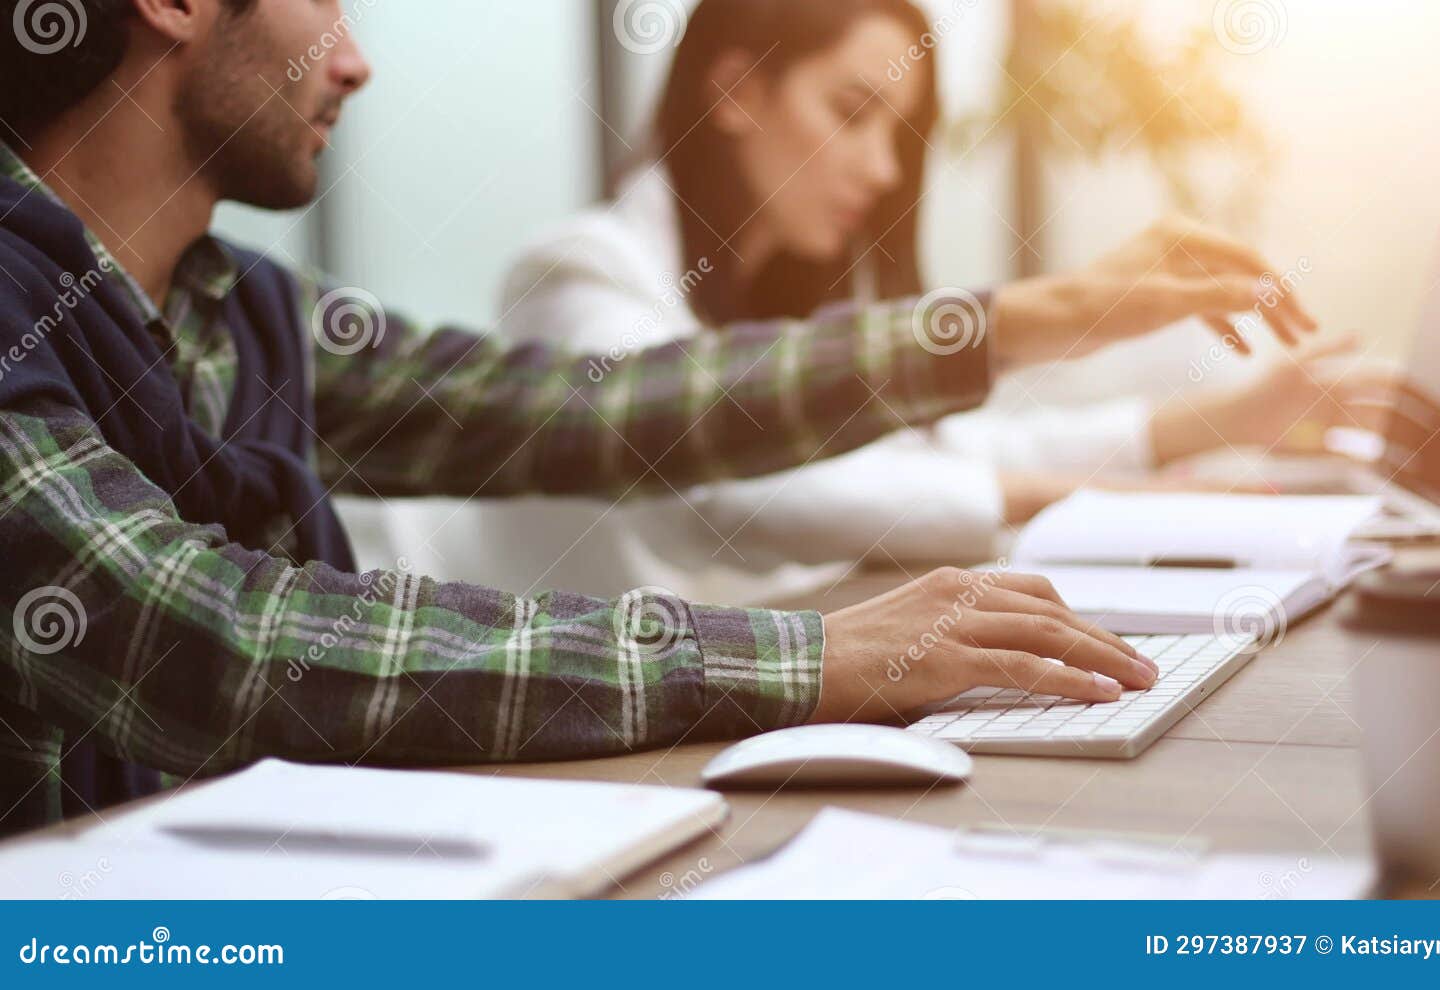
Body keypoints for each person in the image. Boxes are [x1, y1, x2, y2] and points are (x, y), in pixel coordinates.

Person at [0, 0, 1310, 836]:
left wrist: (1018, 320)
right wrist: (803, 661)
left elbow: (596, 411)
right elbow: (208, 632)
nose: (355, 58)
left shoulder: (247, 308)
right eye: (320, 2)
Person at [403, 0, 1371, 605]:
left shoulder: (768, 298)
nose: (877, 169)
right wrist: (1123, 499)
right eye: (851, 112)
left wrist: (1219, 423)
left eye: (895, 134)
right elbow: (737, 485)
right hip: (604, 768)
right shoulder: (574, 275)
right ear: (734, 92)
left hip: (759, 708)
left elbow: (947, 458)